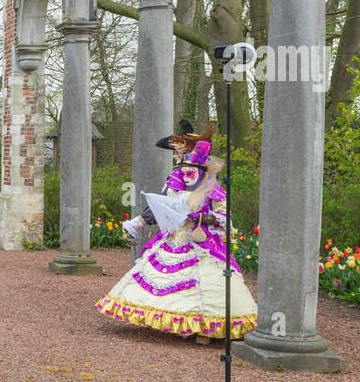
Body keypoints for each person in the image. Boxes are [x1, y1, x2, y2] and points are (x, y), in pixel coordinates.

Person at [96, 138, 258, 340]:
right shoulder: (173, 188)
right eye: (182, 170)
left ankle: (205, 328)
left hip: (201, 244)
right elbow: (158, 209)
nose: (185, 175)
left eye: (190, 171)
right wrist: (138, 222)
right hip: (172, 240)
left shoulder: (213, 190)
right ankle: (168, 321)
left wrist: (199, 217)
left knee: (208, 282)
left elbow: (225, 220)